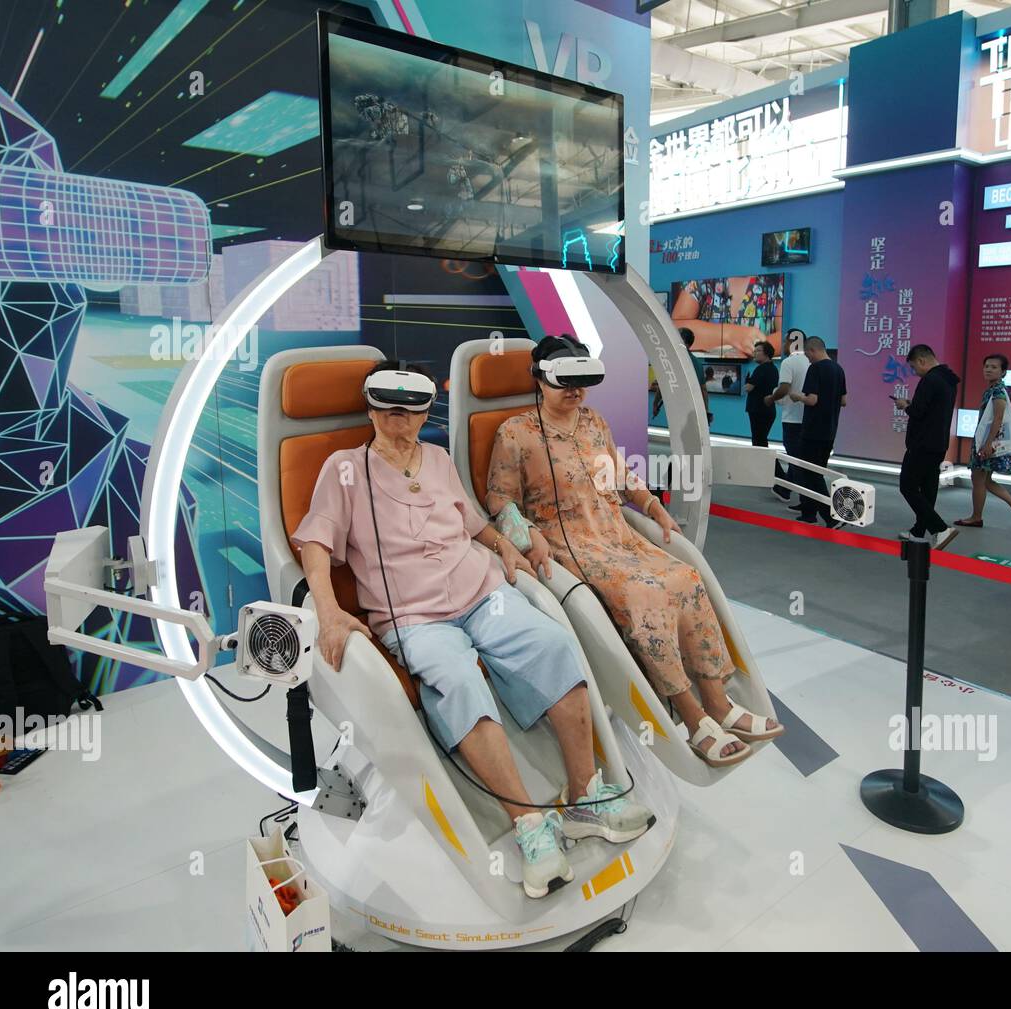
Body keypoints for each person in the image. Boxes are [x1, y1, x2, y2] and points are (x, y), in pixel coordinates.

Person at [292, 360, 653, 901]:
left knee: (554, 643)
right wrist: (326, 606)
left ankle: (584, 797)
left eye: (409, 412)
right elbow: (316, 543)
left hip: (482, 593)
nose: (397, 423)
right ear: (370, 410)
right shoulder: (344, 469)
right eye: (386, 411)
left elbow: (471, 520)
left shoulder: (437, 458)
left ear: (422, 414)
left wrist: (505, 544)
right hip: (413, 617)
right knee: (459, 682)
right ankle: (530, 827)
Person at [486, 335, 784, 768]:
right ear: (540, 379)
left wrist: (651, 507)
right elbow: (499, 501)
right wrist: (527, 534)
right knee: (646, 594)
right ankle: (691, 714)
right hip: (569, 543)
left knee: (686, 577)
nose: (574, 392)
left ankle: (718, 701)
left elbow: (621, 475)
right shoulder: (515, 433)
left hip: (617, 533)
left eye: (581, 383)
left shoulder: (593, 422)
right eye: (564, 383)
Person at [955, 354, 1011, 530]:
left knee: (978, 478)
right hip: (987, 441)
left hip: (988, 442)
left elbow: (998, 419)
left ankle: (977, 517)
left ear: (1003, 372)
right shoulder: (993, 389)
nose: (988, 369)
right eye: (986, 366)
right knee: (985, 480)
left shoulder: (997, 391)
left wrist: (988, 444)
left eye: (994, 367)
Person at [894, 344, 959, 550]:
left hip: (922, 443)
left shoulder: (930, 380)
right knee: (928, 489)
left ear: (922, 360)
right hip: (938, 442)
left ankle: (940, 529)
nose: (915, 372)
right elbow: (932, 408)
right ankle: (918, 531)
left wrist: (906, 405)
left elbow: (919, 412)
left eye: (914, 367)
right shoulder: (948, 378)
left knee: (908, 486)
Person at [788, 336, 848, 528]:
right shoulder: (839, 369)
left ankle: (831, 516)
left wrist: (798, 396)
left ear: (813, 350)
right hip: (830, 429)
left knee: (810, 473)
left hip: (813, 430)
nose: (808, 359)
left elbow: (812, 400)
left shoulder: (815, 369)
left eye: (807, 355)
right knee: (817, 471)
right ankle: (808, 512)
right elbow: (844, 401)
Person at [671, 275, 784, 358]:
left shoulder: (778, 280)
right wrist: (731, 335)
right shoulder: (703, 275)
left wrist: (753, 349)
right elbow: (675, 326)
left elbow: (788, 335)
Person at [769, 327, 809, 502]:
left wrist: (771, 398)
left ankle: (804, 499)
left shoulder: (788, 363)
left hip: (791, 417)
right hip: (807, 417)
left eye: (786, 341)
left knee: (795, 457)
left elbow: (784, 388)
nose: (784, 345)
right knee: (799, 456)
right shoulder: (811, 361)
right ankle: (785, 489)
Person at [743, 340, 779, 447]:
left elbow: (749, 388)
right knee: (761, 440)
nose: (755, 353)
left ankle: (772, 464)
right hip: (768, 410)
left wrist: (747, 382)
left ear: (766, 353)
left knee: (759, 441)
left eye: (758, 350)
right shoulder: (773, 368)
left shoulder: (761, 369)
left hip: (759, 410)